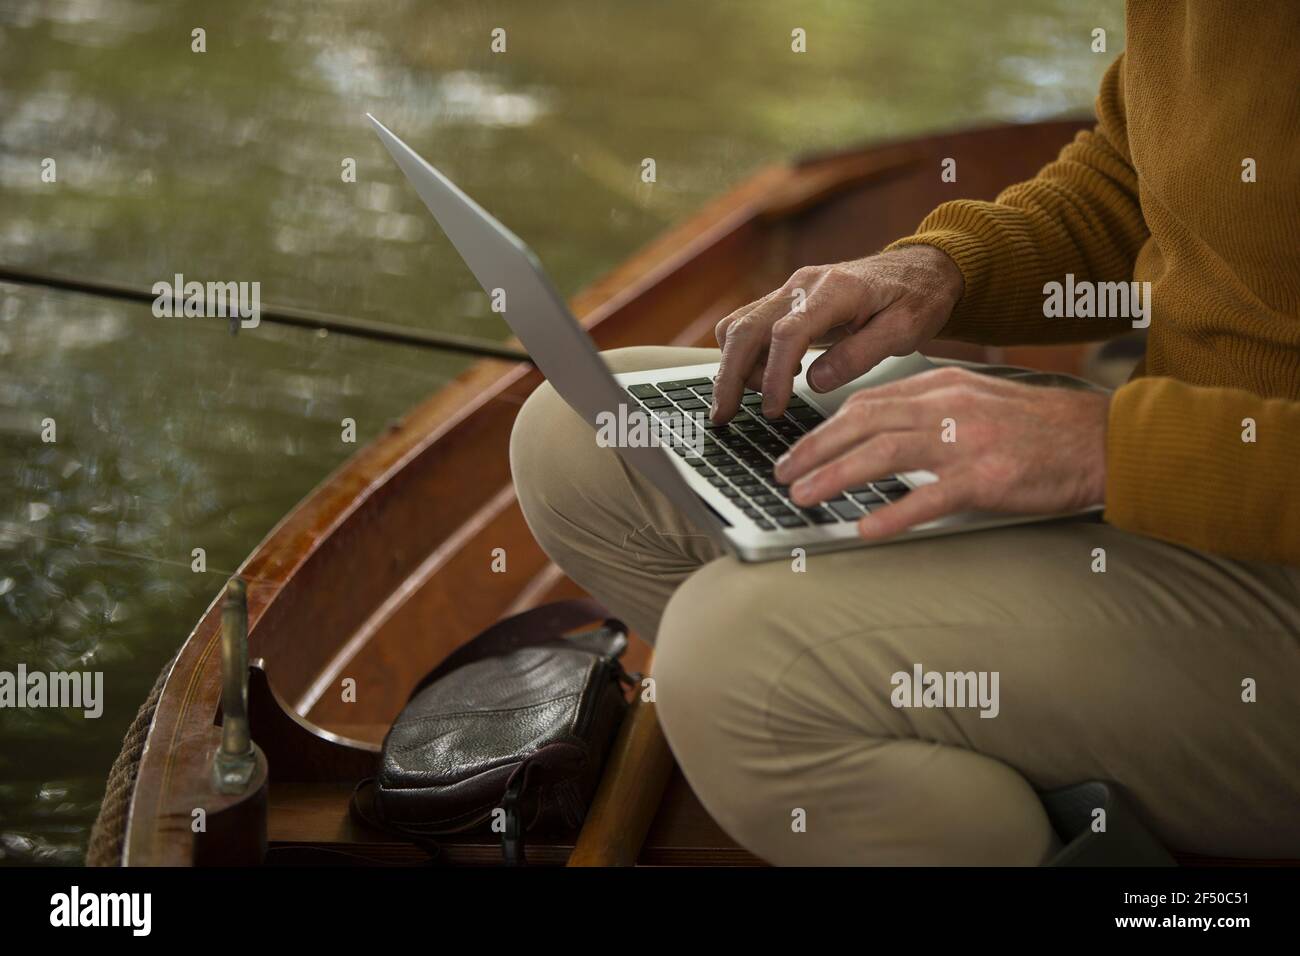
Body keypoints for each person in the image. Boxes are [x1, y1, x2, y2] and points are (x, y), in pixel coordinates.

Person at [510, 0, 1300, 865]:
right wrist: (942, 267)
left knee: (736, 661)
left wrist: (1115, 447)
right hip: (1170, 496)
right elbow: (1135, 175)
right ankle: (962, 757)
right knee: (578, 439)